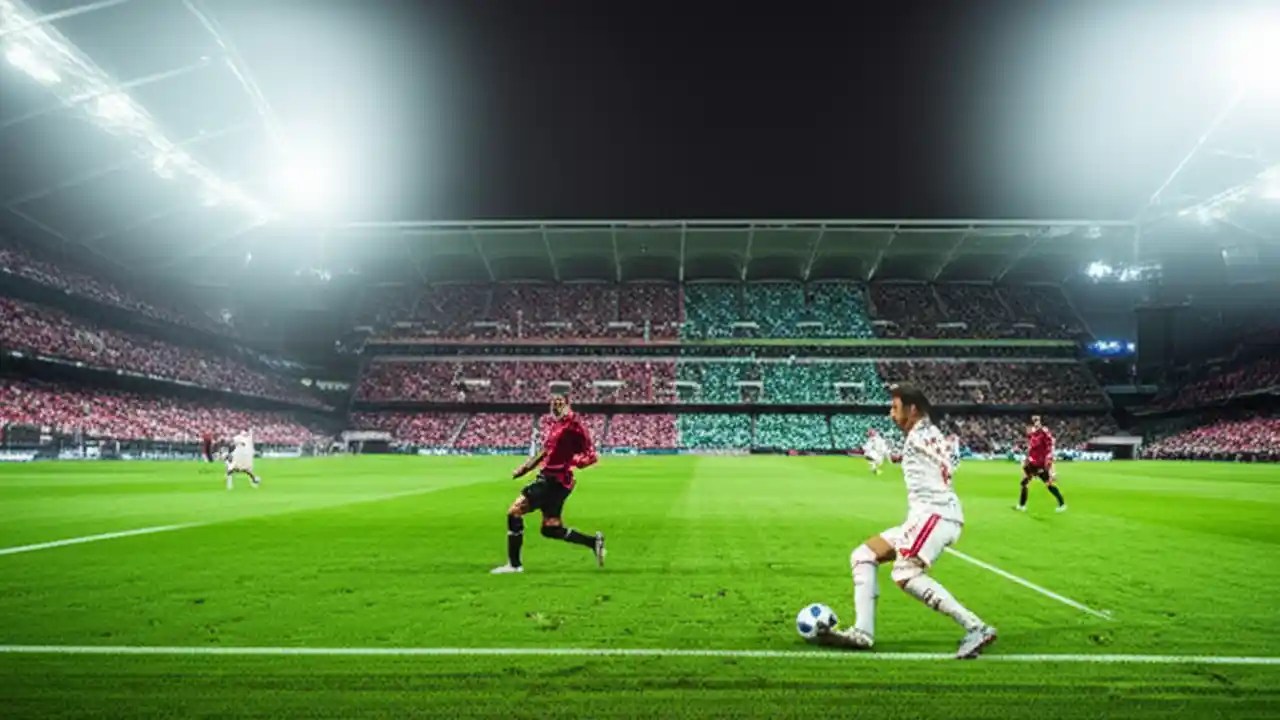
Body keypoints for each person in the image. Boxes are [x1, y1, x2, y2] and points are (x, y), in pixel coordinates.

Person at [819, 382, 997, 659]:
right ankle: (862, 633)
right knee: (863, 555)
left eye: (895, 407)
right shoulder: (929, 433)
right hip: (926, 516)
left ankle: (976, 626)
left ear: (912, 409)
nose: (891, 414)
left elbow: (942, 458)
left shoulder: (921, 434)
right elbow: (951, 459)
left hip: (934, 515)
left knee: (905, 573)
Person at [491, 394, 605, 574]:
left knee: (514, 512)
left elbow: (591, 455)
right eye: (553, 403)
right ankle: (593, 542)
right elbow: (545, 451)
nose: (555, 407)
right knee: (551, 529)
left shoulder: (575, 426)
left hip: (553, 480)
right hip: (555, 482)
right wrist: (525, 469)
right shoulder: (557, 425)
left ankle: (514, 565)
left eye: (560, 403)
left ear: (568, 405)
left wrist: (574, 462)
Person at [1016, 415, 1066, 512]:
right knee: (1024, 483)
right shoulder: (1032, 436)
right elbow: (1031, 449)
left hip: (1040, 464)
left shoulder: (1043, 434)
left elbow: (1050, 446)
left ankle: (1062, 504)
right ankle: (1022, 505)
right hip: (1031, 464)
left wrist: (1052, 469)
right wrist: (1026, 459)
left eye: (1037, 421)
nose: (1034, 423)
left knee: (1049, 484)